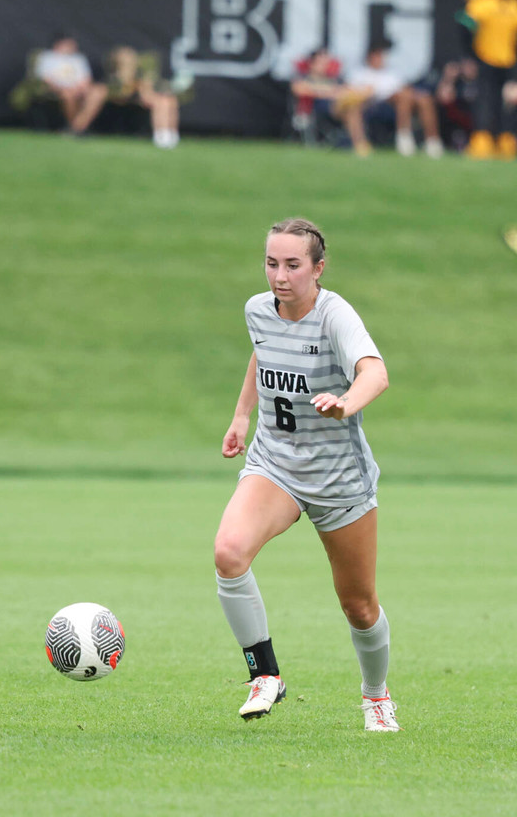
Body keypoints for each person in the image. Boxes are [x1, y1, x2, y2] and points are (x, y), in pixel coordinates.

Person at [215, 218, 398, 732]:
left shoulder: (335, 316)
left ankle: (376, 696)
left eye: (293, 265)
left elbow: (376, 373)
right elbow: (263, 353)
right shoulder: (257, 309)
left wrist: (345, 403)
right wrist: (241, 416)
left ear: (318, 269)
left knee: (359, 606)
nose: (280, 275)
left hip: (339, 479)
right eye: (272, 263)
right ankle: (265, 675)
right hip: (275, 464)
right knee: (229, 552)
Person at [457, 0, 517, 160]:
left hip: (485, 60)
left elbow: (464, 24)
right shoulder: (515, 5)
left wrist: (470, 55)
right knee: (505, 105)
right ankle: (506, 144)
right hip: (508, 62)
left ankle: (481, 143)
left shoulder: (483, 3)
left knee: (484, 102)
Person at [335, 45, 441, 158]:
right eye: (377, 56)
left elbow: (406, 88)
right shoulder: (359, 73)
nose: (380, 59)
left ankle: (432, 141)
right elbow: (349, 91)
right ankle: (404, 138)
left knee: (424, 99)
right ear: (369, 58)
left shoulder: (392, 73)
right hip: (375, 105)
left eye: (381, 56)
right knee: (403, 98)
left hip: (398, 104)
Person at [73, 46, 181, 148]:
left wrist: (143, 90)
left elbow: (146, 94)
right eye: (126, 60)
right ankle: (78, 128)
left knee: (166, 101)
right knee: (96, 94)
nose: (130, 62)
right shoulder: (110, 78)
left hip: (137, 96)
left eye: (131, 59)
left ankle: (166, 135)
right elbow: (115, 91)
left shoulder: (141, 74)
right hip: (117, 96)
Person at [33, 34, 96, 135]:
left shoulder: (79, 58)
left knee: (99, 92)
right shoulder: (47, 57)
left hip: (79, 88)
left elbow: (86, 78)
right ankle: (78, 129)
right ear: (58, 44)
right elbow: (44, 78)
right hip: (58, 89)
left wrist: (80, 88)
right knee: (68, 95)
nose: (72, 47)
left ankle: (76, 127)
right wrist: (62, 88)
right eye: (68, 44)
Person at [289, 48, 344, 139]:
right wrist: (328, 93)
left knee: (352, 109)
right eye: (321, 63)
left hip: (336, 110)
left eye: (326, 63)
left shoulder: (333, 79)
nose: (324, 66)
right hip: (314, 111)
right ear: (312, 63)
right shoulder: (303, 77)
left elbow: (343, 91)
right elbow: (298, 89)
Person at [434, 57, 479, 150]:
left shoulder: (481, 83)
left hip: (473, 122)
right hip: (453, 120)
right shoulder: (456, 82)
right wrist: (448, 80)